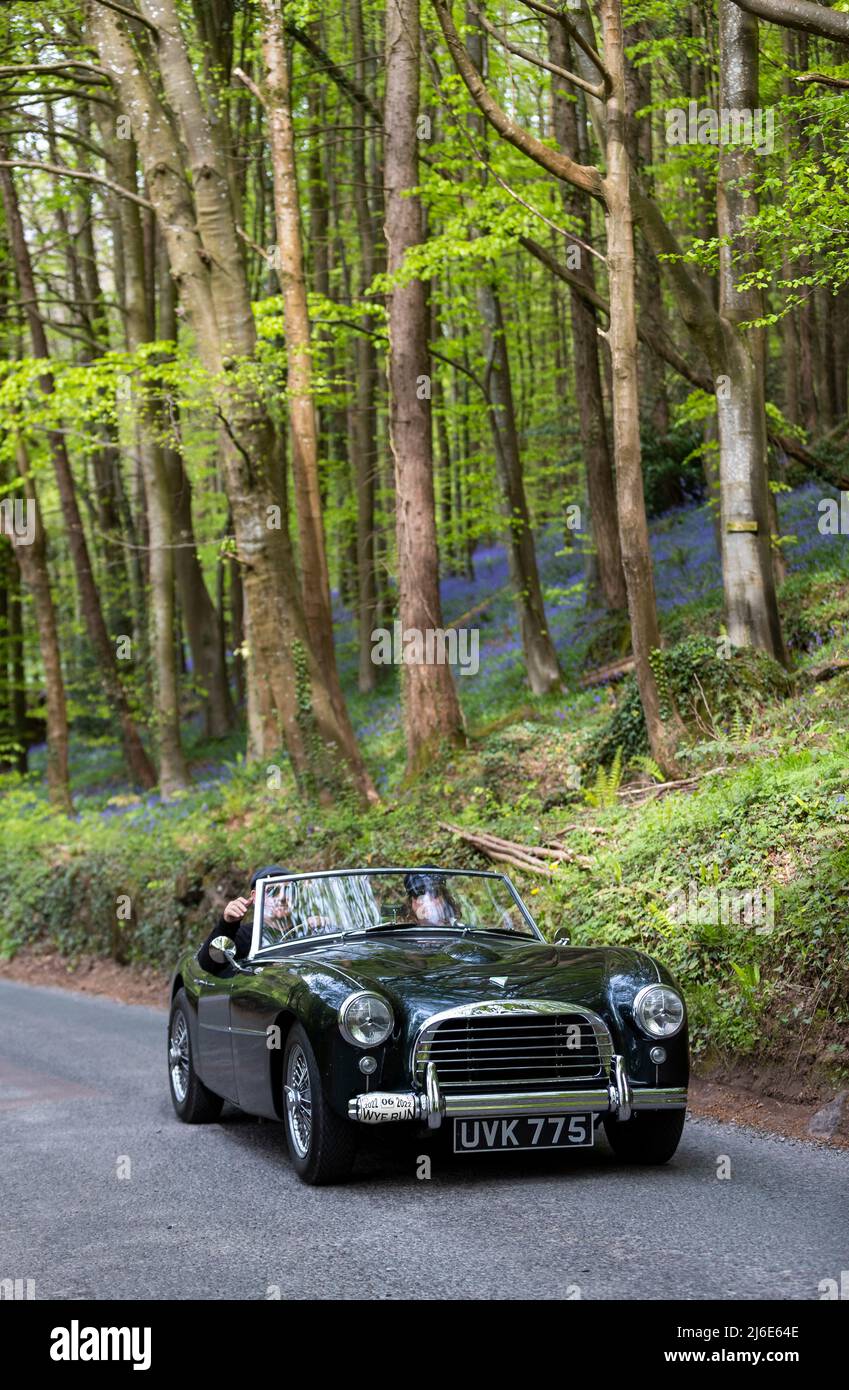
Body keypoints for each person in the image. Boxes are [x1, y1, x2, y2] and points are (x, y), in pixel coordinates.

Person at [197, 864, 290, 972]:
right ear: (255, 897)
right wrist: (227, 925)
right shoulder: (246, 936)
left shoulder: (309, 928)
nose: (282, 897)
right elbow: (209, 965)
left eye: (289, 890)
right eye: (273, 891)